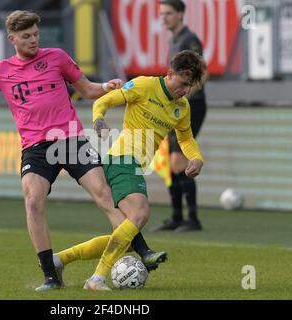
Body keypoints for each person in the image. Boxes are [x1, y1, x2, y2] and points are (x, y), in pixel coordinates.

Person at [0, 10, 164, 291]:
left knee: (105, 195)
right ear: (12, 38)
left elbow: (86, 89)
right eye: (26, 37)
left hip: (72, 139)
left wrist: (105, 86)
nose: (33, 40)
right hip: (36, 147)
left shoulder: (57, 57)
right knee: (33, 201)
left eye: (36, 34)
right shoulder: (1, 71)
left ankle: (144, 250)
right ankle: (51, 275)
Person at [54, 49, 206, 290]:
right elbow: (104, 100)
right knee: (140, 213)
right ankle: (97, 279)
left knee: (124, 235)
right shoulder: (144, 85)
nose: (185, 91)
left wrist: (196, 158)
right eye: (183, 84)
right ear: (169, 74)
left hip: (136, 166)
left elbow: (185, 139)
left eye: (190, 86)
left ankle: (59, 259)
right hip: (122, 159)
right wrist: (99, 119)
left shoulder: (182, 107)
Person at [153, 0, 208, 232]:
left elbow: (202, 73)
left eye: (168, 13)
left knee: (178, 160)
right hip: (176, 107)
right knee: (170, 161)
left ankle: (192, 219)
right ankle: (177, 216)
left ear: (180, 14)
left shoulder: (189, 39)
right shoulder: (174, 40)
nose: (163, 18)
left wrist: (183, 97)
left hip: (191, 106)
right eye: (161, 14)